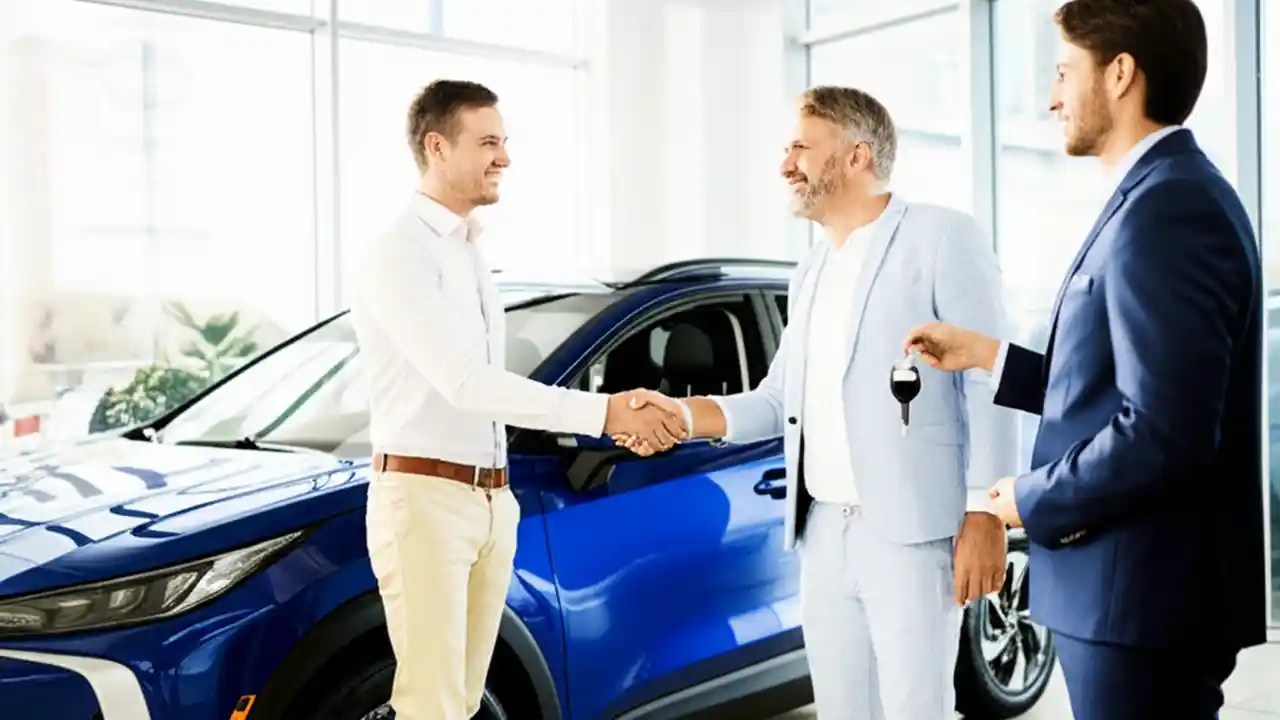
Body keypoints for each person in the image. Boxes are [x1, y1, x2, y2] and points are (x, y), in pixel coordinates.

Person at [903, 2, 1267, 717]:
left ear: (1122, 73)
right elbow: (1115, 389)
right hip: (1131, 599)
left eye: (1064, 71)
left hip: (1141, 604)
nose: (1051, 96)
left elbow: (1162, 433)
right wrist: (989, 356)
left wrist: (1023, 500)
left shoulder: (1168, 209)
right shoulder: (1159, 196)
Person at [621, 85, 1018, 719]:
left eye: (801, 147)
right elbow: (779, 401)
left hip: (914, 532)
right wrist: (685, 417)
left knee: (918, 710)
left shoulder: (944, 236)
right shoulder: (809, 271)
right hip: (822, 532)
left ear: (858, 156)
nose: (786, 164)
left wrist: (985, 513)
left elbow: (988, 376)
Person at [350, 79, 686, 720]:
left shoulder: (472, 250)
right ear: (437, 146)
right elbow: (466, 381)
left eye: (504, 142)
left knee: (465, 704)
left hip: (488, 500)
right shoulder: (399, 253)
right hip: (424, 502)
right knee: (431, 707)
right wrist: (606, 413)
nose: (504, 156)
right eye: (488, 142)